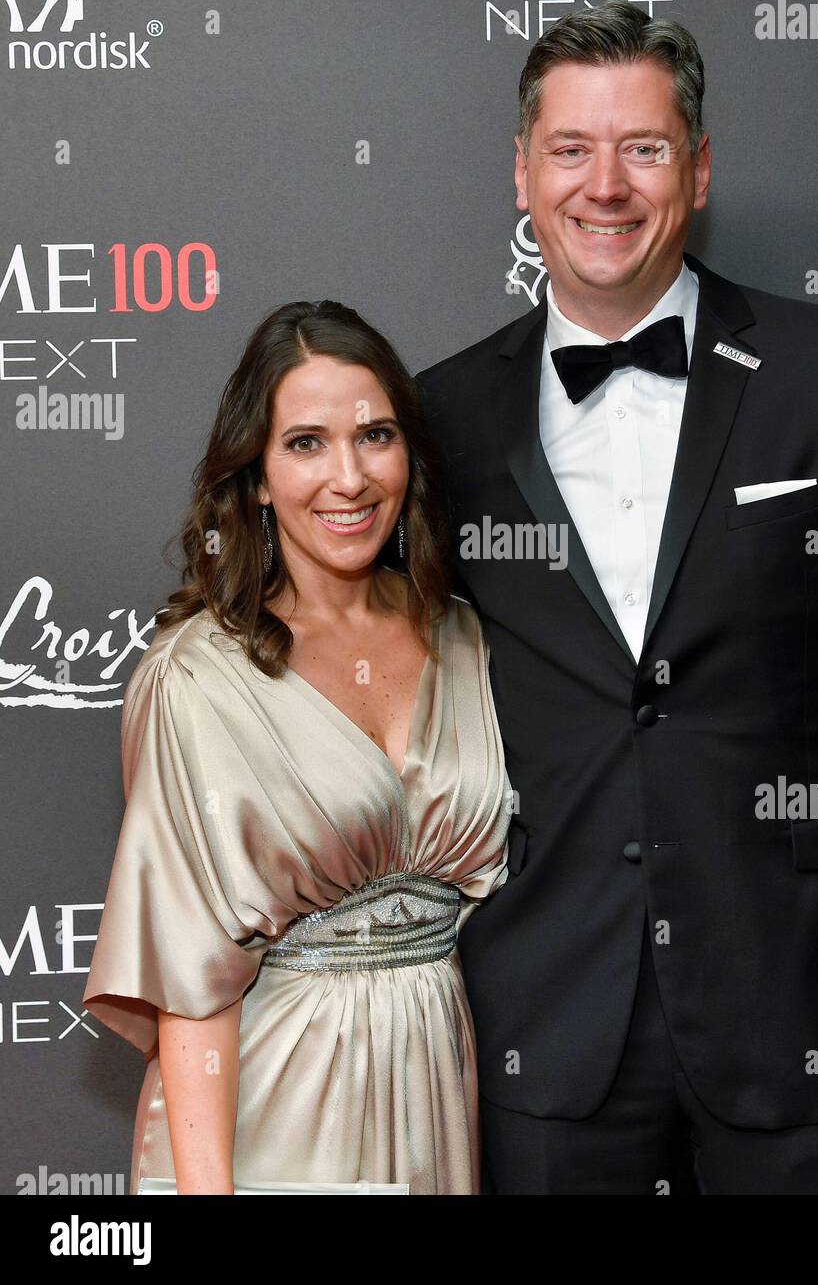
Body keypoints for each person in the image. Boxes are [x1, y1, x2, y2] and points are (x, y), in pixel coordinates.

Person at [414, 0, 818, 1195]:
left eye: (643, 147)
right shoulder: (437, 419)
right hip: (540, 1023)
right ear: (521, 171)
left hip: (808, 1015)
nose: (606, 185)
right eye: (571, 149)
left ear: (697, 168)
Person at [83, 300, 512, 1195]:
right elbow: (191, 983)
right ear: (257, 474)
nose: (348, 477)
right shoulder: (198, 675)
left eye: (376, 435)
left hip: (435, 1085)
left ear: (411, 456)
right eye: (307, 443)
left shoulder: (467, 639)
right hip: (277, 1100)